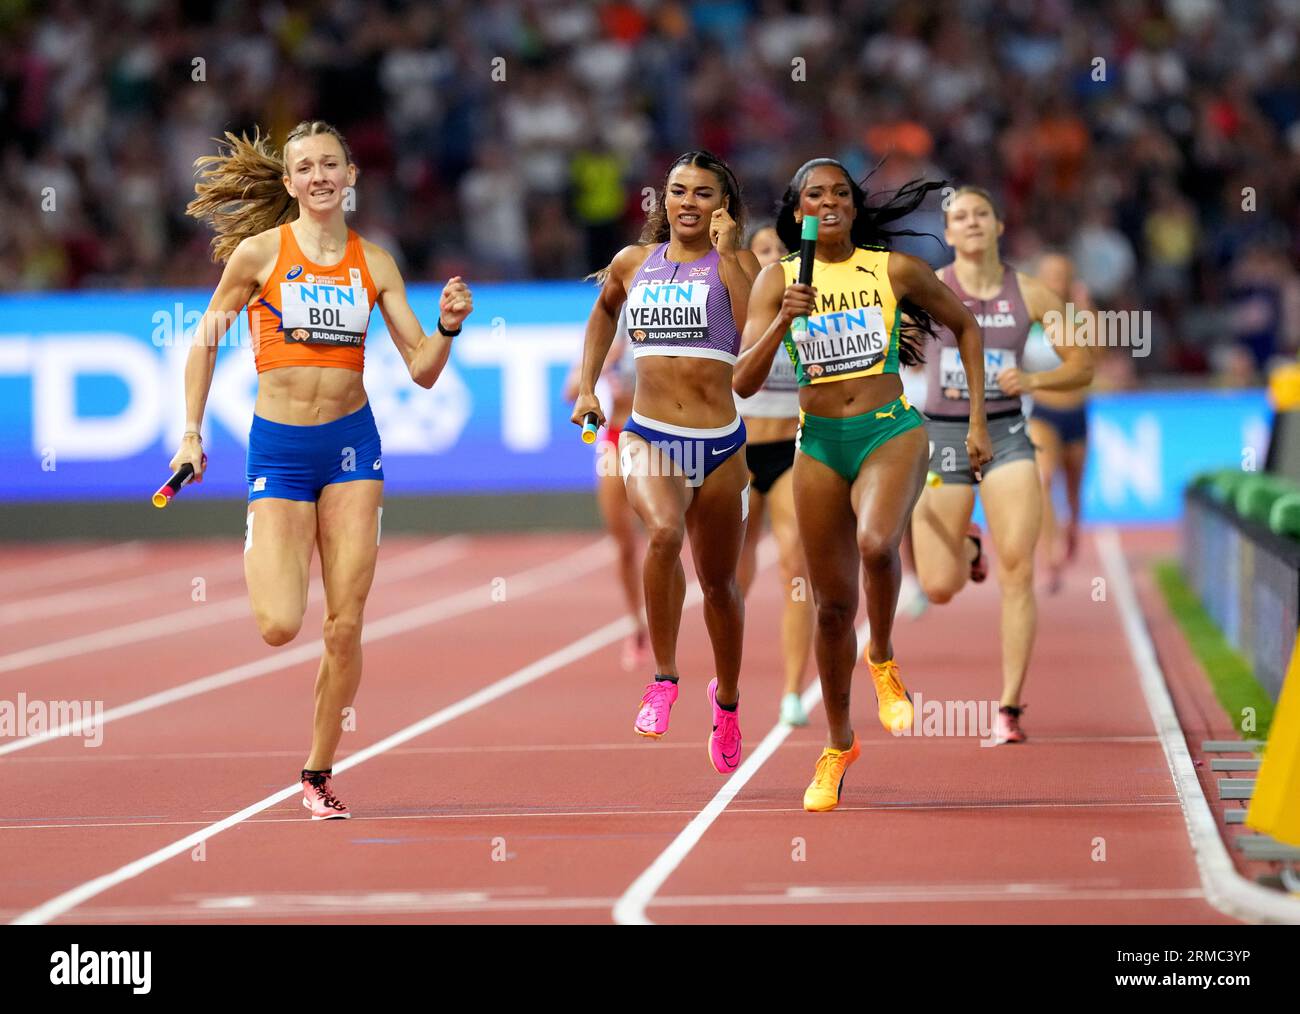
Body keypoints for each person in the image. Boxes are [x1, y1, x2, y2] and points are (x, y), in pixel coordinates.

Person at [176, 121, 473, 819]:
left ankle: (316, 770)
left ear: (350, 178)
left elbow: (423, 371)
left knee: (344, 625)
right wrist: (190, 433)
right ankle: (261, 535)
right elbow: (203, 344)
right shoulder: (257, 255)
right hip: (278, 452)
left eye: (329, 164)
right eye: (304, 166)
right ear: (289, 182)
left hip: (352, 449)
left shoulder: (375, 262)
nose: (318, 176)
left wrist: (449, 327)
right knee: (279, 624)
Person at [737, 159, 991, 812]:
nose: (829, 202)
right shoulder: (776, 280)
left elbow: (964, 327)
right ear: (798, 213)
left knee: (878, 545)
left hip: (888, 430)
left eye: (841, 194)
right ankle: (838, 745)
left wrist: (976, 422)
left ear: (852, 207)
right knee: (828, 607)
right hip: (818, 443)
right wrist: (779, 320)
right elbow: (741, 380)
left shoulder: (890, 270)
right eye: (815, 195)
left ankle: (881, 657)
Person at [571, 150, 760, 774]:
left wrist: (732, 252)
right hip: (649, 435)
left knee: (720, 587)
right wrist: (591, 386)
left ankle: (726, 704)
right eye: (677, 191)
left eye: (703, 194)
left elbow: (746, 331)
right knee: (662, 531)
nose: (686, 203)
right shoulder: (633, 263)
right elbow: (603, 312)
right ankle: (664, 676)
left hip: (721, 443)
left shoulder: (739, 264)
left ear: (722, 206)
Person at [911, 186, 1092, 745]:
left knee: (1019, 572)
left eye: (980, 214)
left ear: (998, 225)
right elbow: (893, 352)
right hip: (943, 434)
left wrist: (1034, 379)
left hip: (1009, 431)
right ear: (947, 232)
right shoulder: (929, 289)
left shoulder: (1033, 294)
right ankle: (967, 547)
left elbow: (1082, 363)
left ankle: (1010, 706)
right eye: (959, 216)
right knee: (939, 587)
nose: (970, 223)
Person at [733, 224, 814, 727]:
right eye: (761, 250)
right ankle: (728, 683)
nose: (771, 259)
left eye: (780, 252)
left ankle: (790, 692)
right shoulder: (734, 311)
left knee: (795, 567)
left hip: (789, 449)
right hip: (738, 453)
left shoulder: (804, 312)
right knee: (731, 577)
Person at [564, 315, 650, 669]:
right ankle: (636, 621)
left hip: (656, 438)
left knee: (665, 534)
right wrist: (605, 362)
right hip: (614, 440)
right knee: (625, 542)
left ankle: (663, 617)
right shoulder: (607, 335)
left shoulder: (663, 329)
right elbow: (571, 391)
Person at [1023, 252, 1096, 592]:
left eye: (1060, 275)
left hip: (1076, 413)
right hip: (1042, 412)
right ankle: (1049, 557)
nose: (1054, 281)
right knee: (1042, 477)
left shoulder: (1080, 317)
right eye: (1048, 275)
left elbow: (1095, 356)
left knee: (1072, 490)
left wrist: (1085, 311)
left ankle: (1072, 528)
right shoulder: (1029, 318)